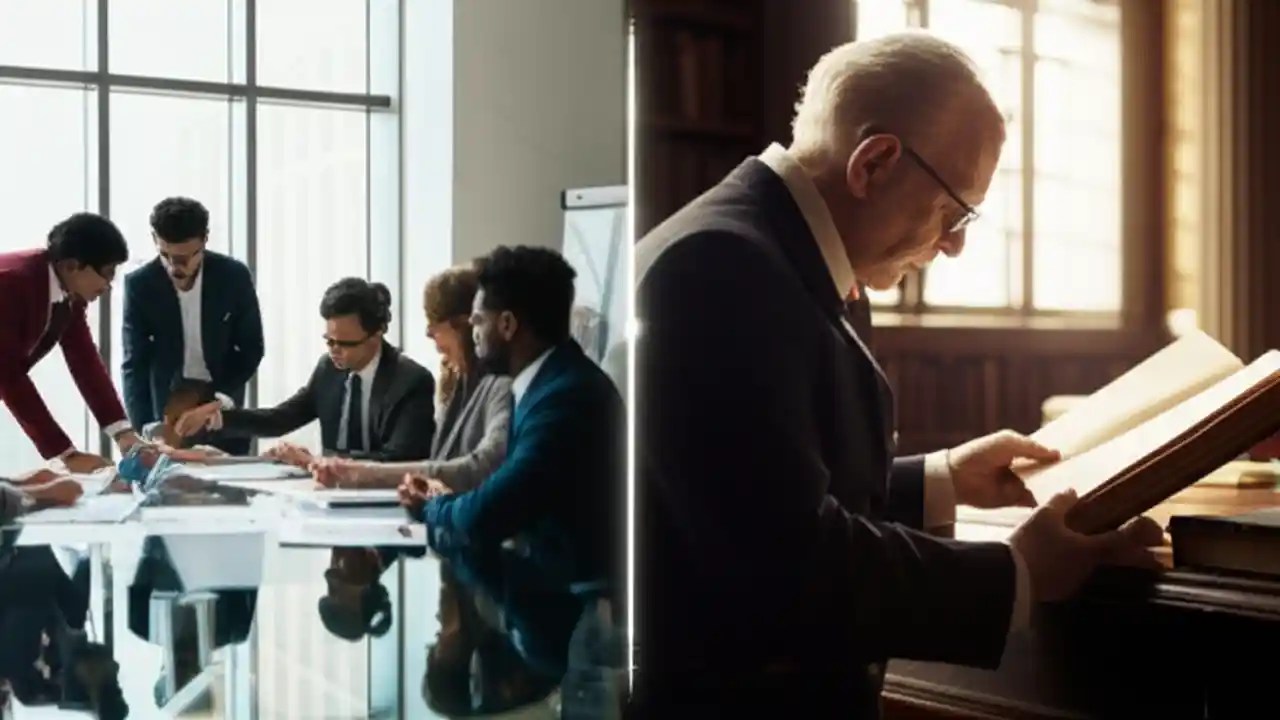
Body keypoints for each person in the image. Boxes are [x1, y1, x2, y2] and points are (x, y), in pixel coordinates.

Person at [631, 32, 1162, 715]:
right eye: (952, 211)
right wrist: (1019, 572)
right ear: (875, 163)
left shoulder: (762, 250)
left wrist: (941, 479)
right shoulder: (722, 268)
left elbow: (751, 489)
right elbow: (787, 566)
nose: (955, 244)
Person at [398, 246, 625, 709]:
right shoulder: (550, 383)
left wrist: (432, 505)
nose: (473, 333)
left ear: (507, 325)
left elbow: (490, 512)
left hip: (582, 609)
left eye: (478, 321)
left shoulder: (565, 398)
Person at [175, 278, 435, 467]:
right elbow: (281, 418)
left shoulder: (411, 381)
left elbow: (400, 459)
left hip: (388, 504)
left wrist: (317, 461)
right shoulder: (329, 370)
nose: (335, 351)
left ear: (377, 334)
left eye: (345, 344)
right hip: (333, 498)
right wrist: (217, 418)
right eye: (329, 341)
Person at [312, 266, 512, 490]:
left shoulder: (500, 386)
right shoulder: (459, 384)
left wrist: (360, 472)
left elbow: (479, 467)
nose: (428, 332)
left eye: (435, 320)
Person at [0, 213, 143, 472]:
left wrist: (123, 433)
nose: (108, 286)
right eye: (107, 273)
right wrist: (66, 454)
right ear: (71, 266)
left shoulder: (67, 293)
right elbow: (8, 375)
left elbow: (84, 360)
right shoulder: (10, 283)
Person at [122, 197, 264, 456]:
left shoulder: (233, 276)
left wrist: (218, 403)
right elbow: (135, 363)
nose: (176, 267)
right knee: (166, 483)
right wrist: (143, 428)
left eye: (186, 257)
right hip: (167, 401)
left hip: (222, 393)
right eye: (166, 256)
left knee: (229, 479)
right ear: (154, 238)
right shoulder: (140, 285)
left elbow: (251, 348)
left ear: (205, 239)